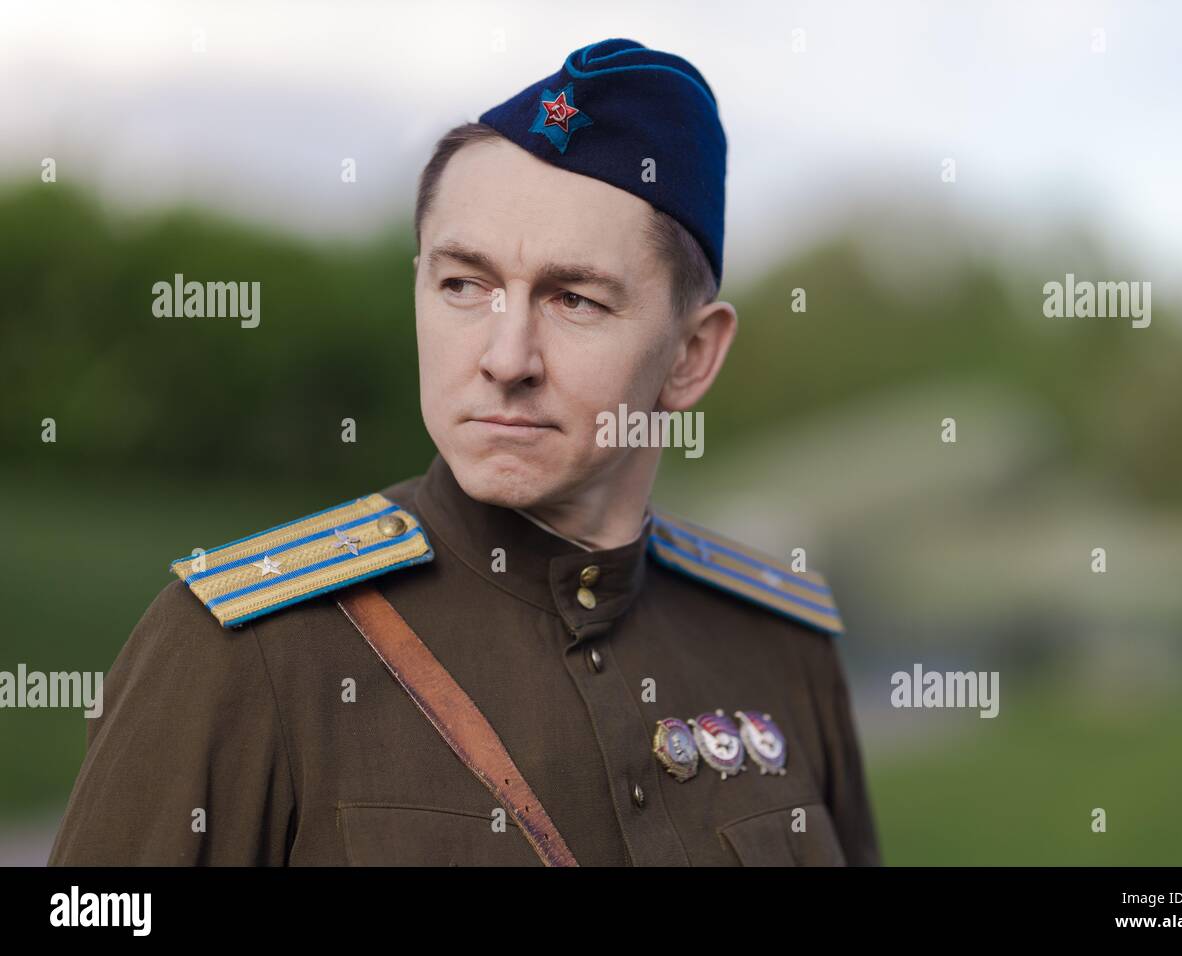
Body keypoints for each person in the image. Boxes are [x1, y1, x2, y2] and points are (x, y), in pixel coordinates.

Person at [47, 37, 881, 866]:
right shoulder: (246, 650)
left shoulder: (779, 646)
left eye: (576, 299)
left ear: (692, 355)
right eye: (464, 286)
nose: (505, 357)